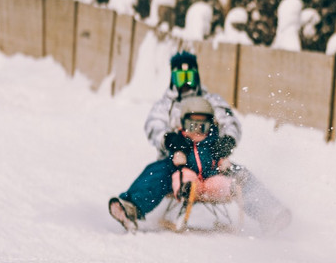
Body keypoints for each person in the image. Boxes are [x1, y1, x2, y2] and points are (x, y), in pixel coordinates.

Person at [108, 51, 290, 233]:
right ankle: (130, 207)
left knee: (240, 174)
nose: (186, 83)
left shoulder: (211, 100)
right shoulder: (166, 105)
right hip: (176, 163)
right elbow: (153, 125)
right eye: (180, 77)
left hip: (210, 160)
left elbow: (230, 122)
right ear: (173, 78)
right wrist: (168, 139)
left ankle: (270, 212)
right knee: (156, 173)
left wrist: (227, 141)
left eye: (190, 77)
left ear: (197, 77)